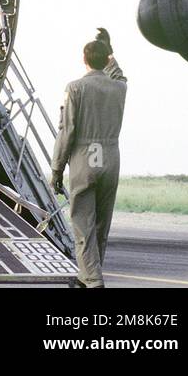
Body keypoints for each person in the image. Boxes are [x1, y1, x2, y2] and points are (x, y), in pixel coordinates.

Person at [51, 30, 127, 289]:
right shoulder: (119, 88)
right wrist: (109, 48)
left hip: (84, 159)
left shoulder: (75, 88)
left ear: (84, 58)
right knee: (101, 225)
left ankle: (93, 280)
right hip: (111, 159)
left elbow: (67, 131)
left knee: (83, 225)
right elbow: (118, 73)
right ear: (107, 59)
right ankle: (89, 275)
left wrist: (56, 169)